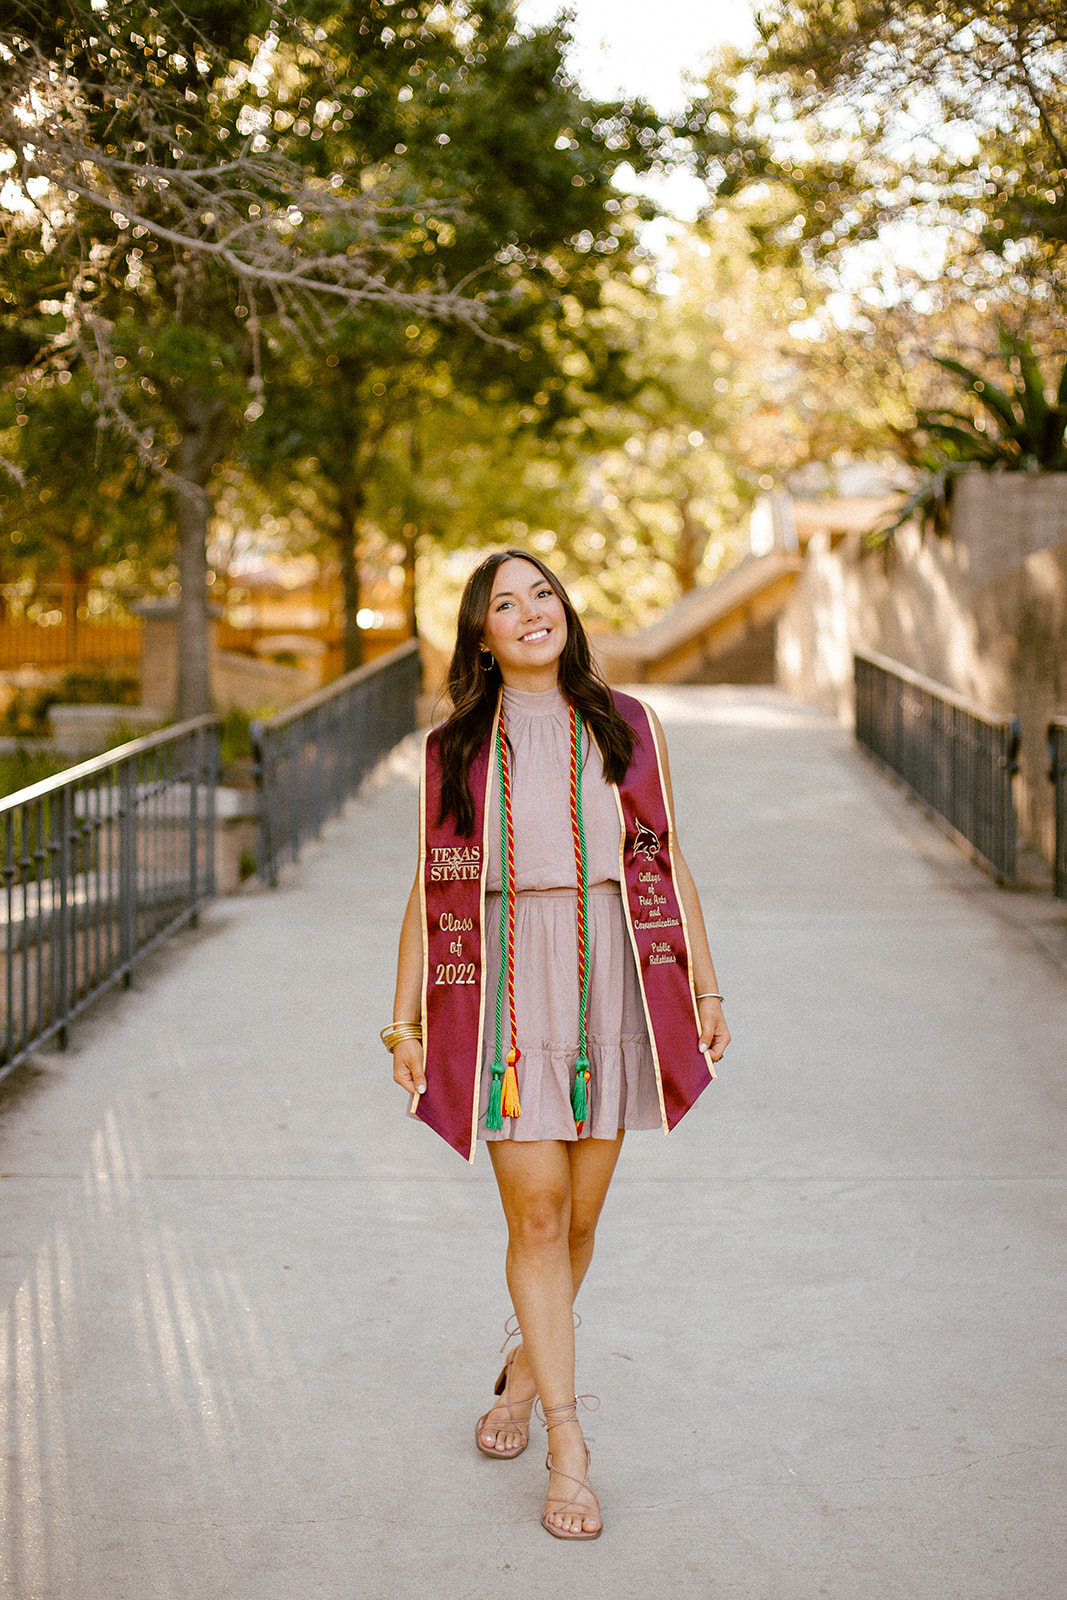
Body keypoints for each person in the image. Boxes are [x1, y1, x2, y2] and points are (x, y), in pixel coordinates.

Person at [386, 549, 729, 1541]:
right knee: (535, 1219)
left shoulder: (627, 725)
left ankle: (519, 1372)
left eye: (542, 594)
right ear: (481, 636)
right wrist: (403, 1018)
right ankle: (568, 1441)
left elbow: (665, 857)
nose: (530, 611)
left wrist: (703, 983)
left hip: (608, 978)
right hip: (503, 994)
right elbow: (427, 883)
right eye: (505, 602)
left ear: (565, 615)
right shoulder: (453, 746)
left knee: (578, 1219)